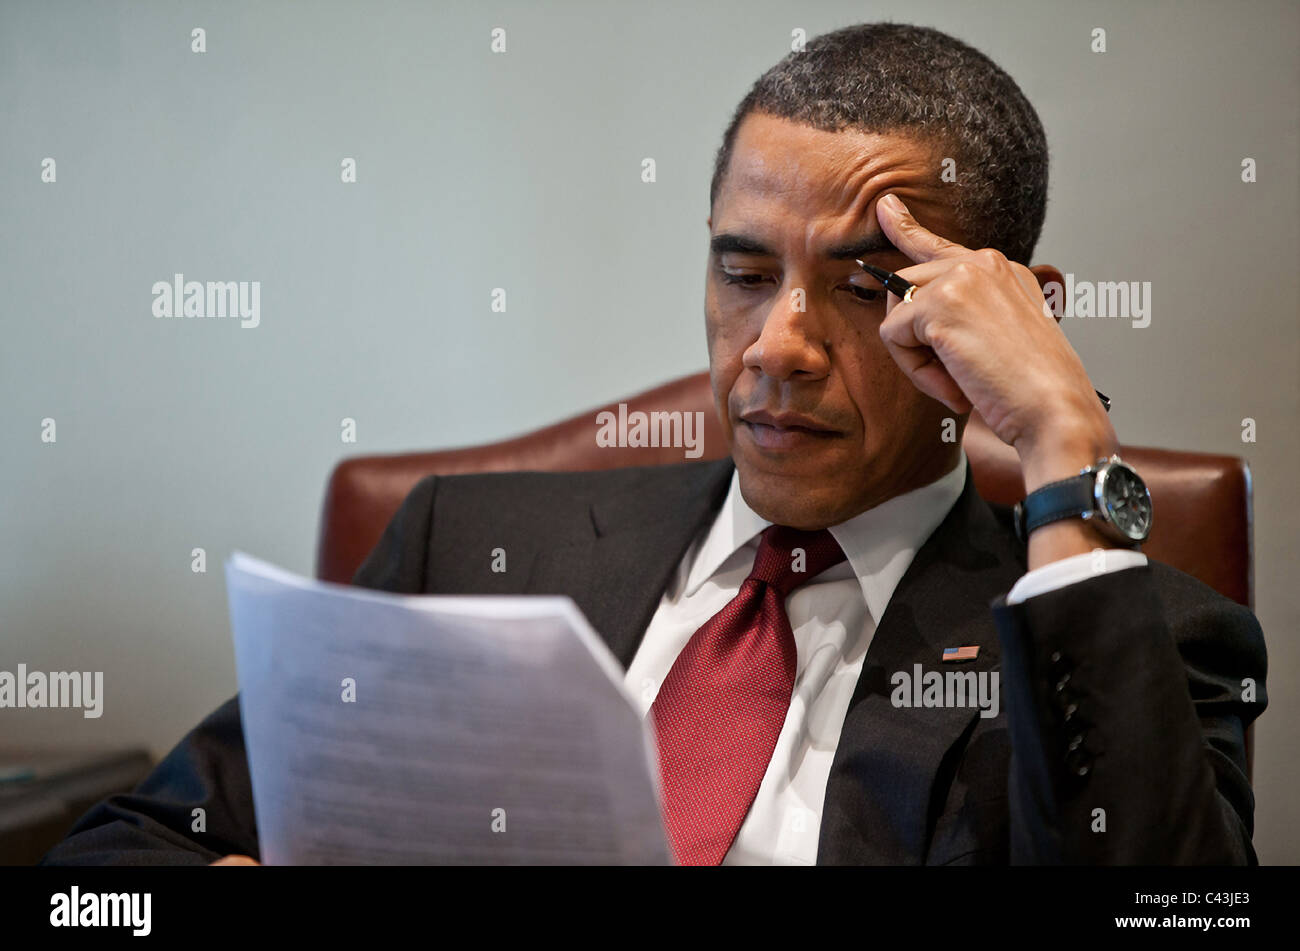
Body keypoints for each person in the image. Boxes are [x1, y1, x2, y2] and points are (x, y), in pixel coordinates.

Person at [42, 22, 1266, 866]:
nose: (775, 345)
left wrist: (1060, 439)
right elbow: (115, 860)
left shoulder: (1128, 631)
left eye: (866, 287)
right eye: (742, 270)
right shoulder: (466, 544)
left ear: (1006, 318)